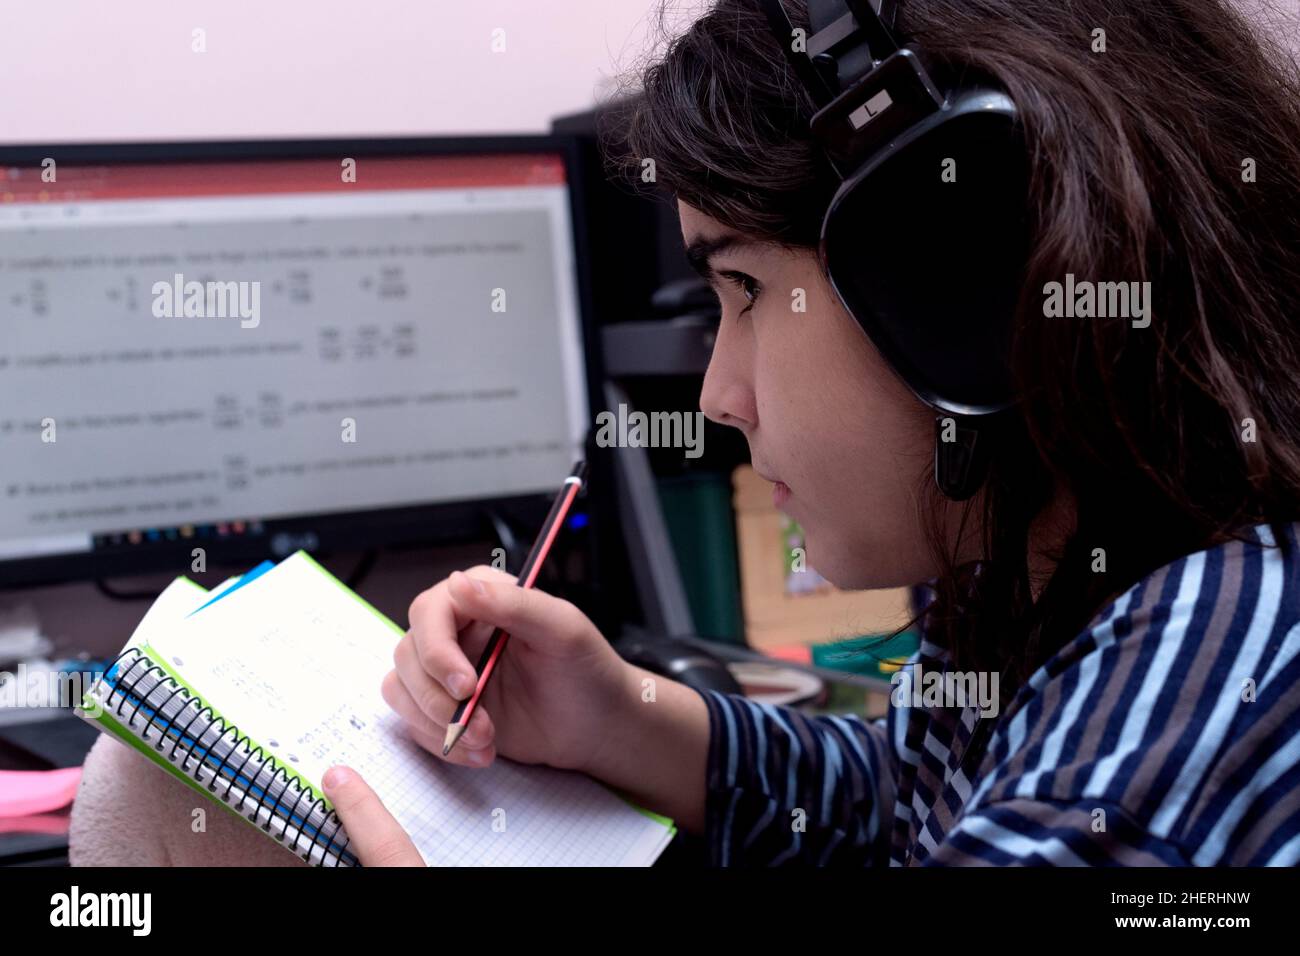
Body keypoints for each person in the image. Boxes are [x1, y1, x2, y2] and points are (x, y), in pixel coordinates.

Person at [149, 0, 1300, 866]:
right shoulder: (1043, 569)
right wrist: (623, 717)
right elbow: (904, 792)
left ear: (959, 273)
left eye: (743, 292)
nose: (717, 396)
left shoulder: (1213, 671)